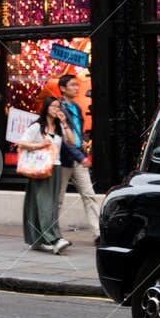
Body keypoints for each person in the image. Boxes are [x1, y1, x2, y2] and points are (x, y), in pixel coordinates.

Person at [20, 98, 70, 254]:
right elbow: (22, 143)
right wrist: (40, 145)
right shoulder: (37, 127)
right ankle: (54, 238)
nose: (56, 108)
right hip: (40, 169)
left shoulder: (59, 127)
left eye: (58, 106)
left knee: (49, 204)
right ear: (46, 107)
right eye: (53, 106)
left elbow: (72, 141)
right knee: (44, 205)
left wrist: (65, 123)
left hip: (55, 168)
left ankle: (38, 239)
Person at [56, 74, 99, 232]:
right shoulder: (58, 108)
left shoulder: (77, 107)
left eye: (77, 85)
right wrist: (81, 157)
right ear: (62, 88)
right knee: (58, 199)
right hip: (64, 159)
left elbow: (76, 132)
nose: (76, 88)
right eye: (72, 85)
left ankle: (98, 232)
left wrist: (82, 145)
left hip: (78, 157)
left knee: (89, 195)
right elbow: (61, 139)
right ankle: (52, 233)